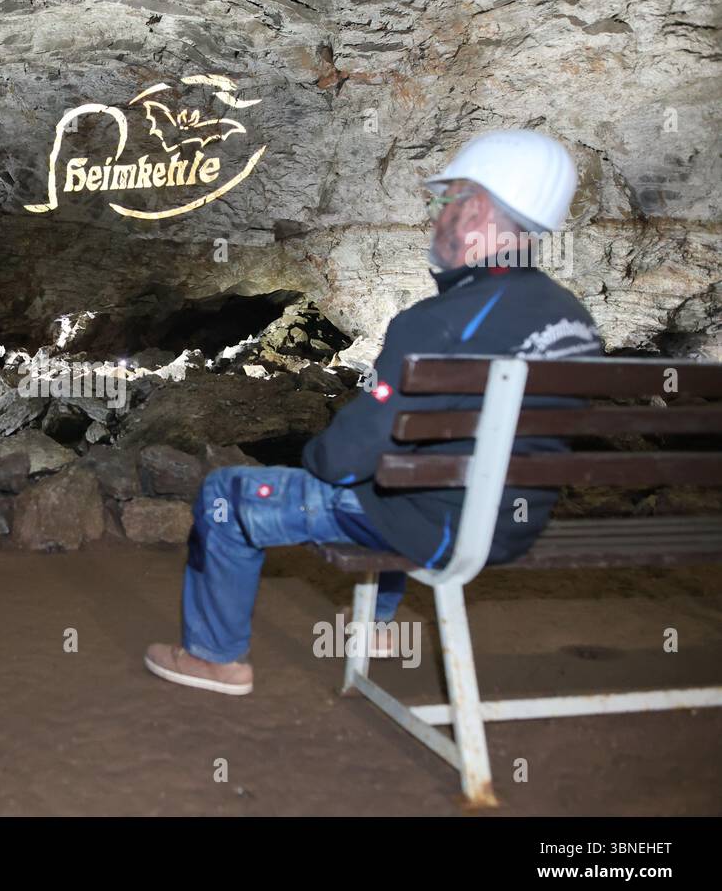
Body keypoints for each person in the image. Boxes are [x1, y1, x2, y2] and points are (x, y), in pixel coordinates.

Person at [145, 129, 604, 695]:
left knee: (227, 494)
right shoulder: (576, 321)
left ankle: (215, 658)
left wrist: (315, 451)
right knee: (402, 468)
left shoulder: (437, 321)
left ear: (478, 211)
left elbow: (338, 463)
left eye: (443, 201)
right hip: (514, 526)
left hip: (441, 530)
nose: (434, 219)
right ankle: (376, 628)